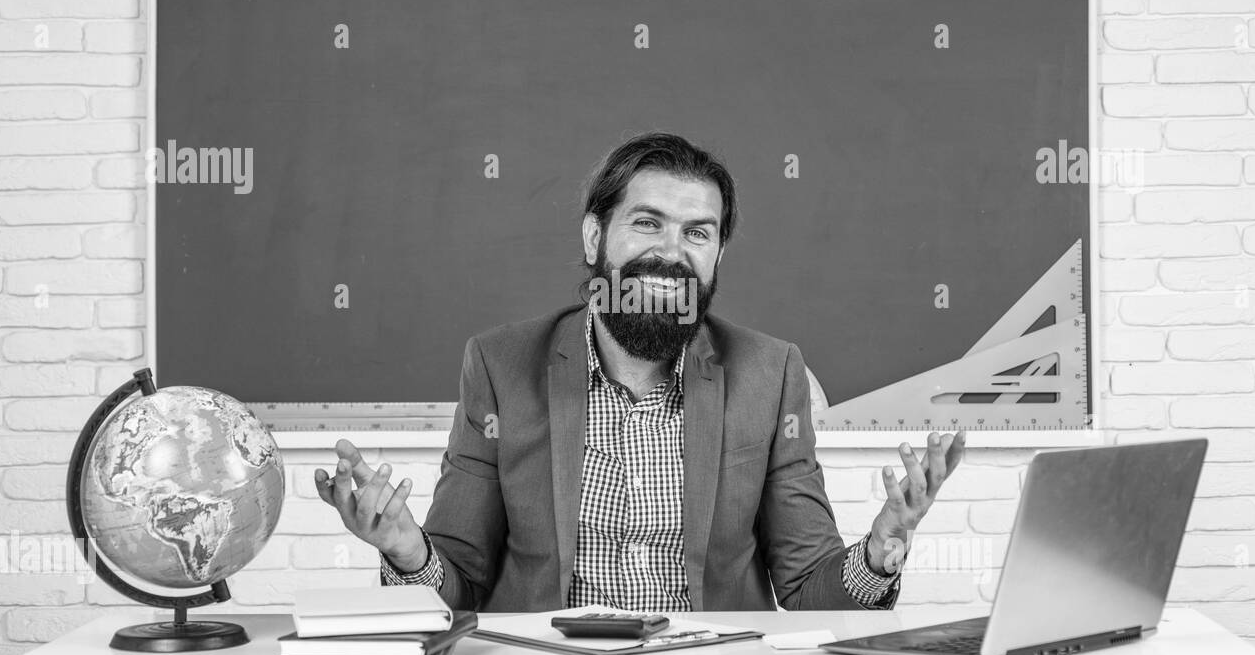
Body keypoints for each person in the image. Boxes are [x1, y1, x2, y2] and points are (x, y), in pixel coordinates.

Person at [314, 132, 966, 612]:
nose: (671, 253)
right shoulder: (501, 365)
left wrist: (878, 552)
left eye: (697, 233)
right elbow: (462, 581)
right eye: (647, 223)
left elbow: (806, 589)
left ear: (717, 256)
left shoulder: (770, 375)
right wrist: (409, 553)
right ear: (594, 238)